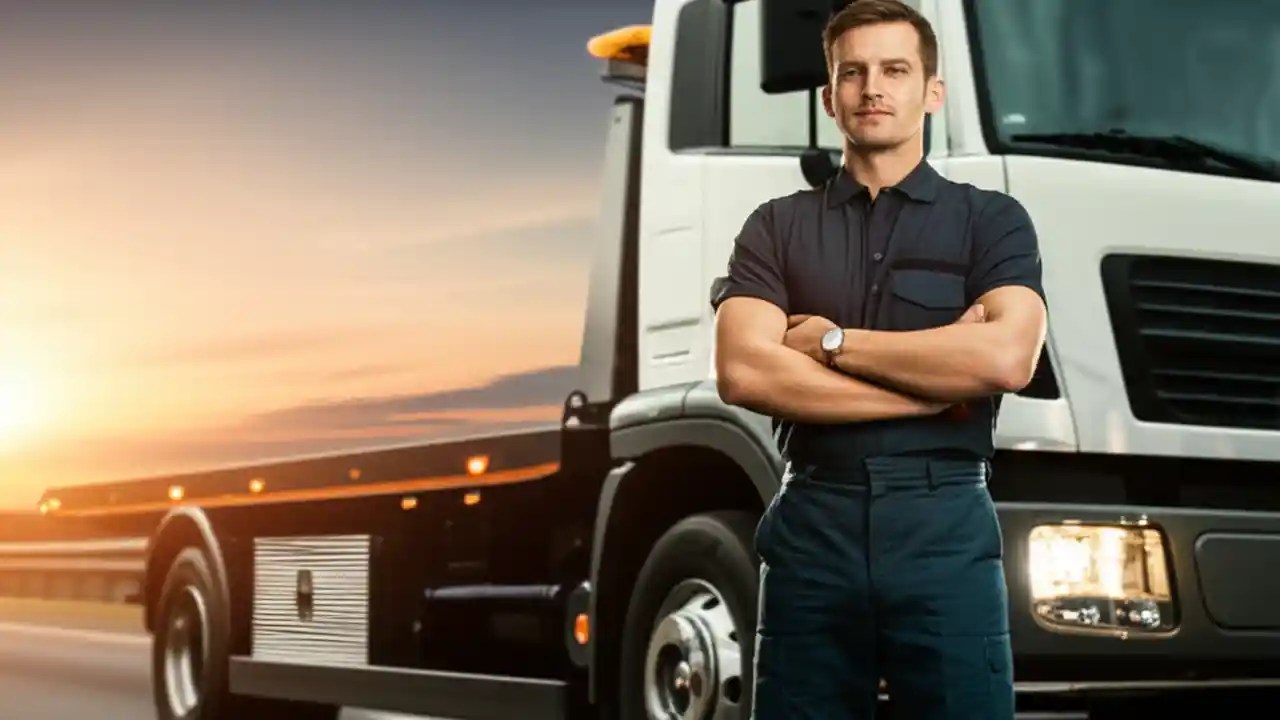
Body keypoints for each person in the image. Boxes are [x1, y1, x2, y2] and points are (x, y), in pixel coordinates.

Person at [710, 1, 1049, 718]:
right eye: (852, 72)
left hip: (945, 524)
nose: (873, 88)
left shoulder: (991, 220)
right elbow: (745, 371)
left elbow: (1007, 357)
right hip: (814, 522)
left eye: (895, 69)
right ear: (829, 98)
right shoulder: (776, 226)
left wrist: (833, 345)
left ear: (932, 90)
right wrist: (931, 389)